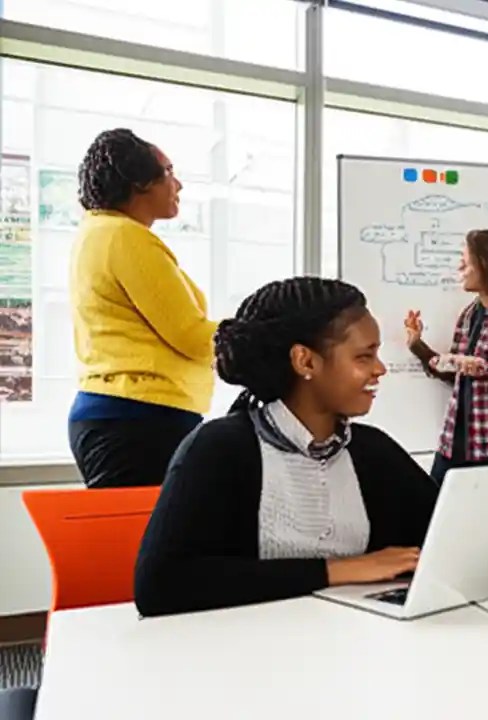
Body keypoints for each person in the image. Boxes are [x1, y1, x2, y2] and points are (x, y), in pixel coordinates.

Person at [134, 278, 439, 617]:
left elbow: (442, 543)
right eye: (364, 356)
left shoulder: (375, 452)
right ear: (305, 362)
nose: (380, 369)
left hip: (352, 644)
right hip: (247, 650)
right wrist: (336, 570)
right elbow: (161, 585)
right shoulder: (218, 450)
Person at [67, 128, 218, 488]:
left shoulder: (97, 232)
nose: (178, 184)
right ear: (137, 181)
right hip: (139, 417)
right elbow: (191, 336)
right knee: (146, 542)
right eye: (168, 172)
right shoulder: (126, 237)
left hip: (122, 413)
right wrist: (266, 331)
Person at [403, 229, 488, 481]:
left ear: (487, 266)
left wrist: (483, 369)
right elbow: (453, 371)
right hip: (454, 442)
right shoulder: (469, 314)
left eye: (466, 263)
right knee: (432, 512)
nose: (460, 268)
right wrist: (417, 345)